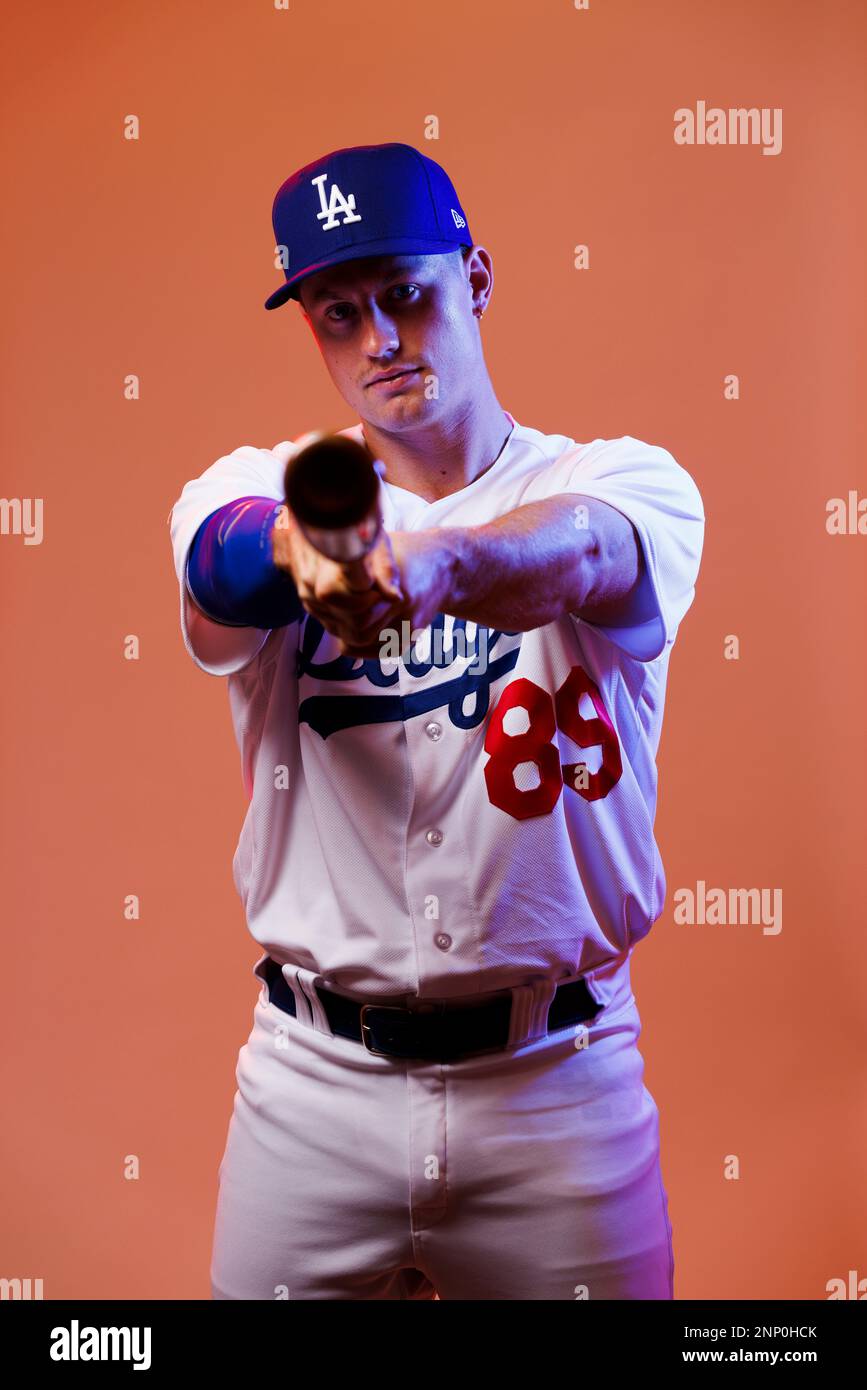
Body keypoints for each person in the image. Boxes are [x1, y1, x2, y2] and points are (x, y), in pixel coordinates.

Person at [167, 141, 705, 1300]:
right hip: (311, 1085)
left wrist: (439, 565)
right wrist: (317, 551)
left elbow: (583, 555)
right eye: (338, 311)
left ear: (478, 275)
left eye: (407, 293)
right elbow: (221, 566)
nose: (381, 340)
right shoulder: (252, 486)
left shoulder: (630, 480)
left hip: (561, 1083)